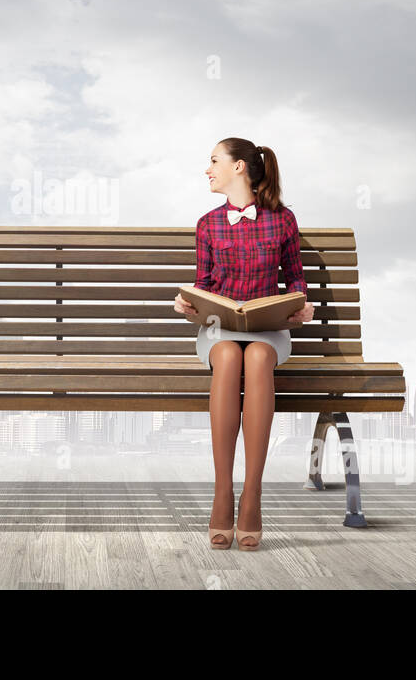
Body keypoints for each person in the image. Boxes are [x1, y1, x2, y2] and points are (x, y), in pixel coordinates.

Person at [173, 138, 314, 551]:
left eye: (214, 161)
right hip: (219, 330)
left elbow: (296, 278)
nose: (207, 169)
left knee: (256, 359)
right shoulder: (207, 224)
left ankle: (252, 494)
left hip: (268, 331)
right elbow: (203, 286)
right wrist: (187, 304)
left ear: (239, 168)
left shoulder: (282, 220)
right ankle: (222, 492)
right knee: (231, 356)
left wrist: (301, 307)